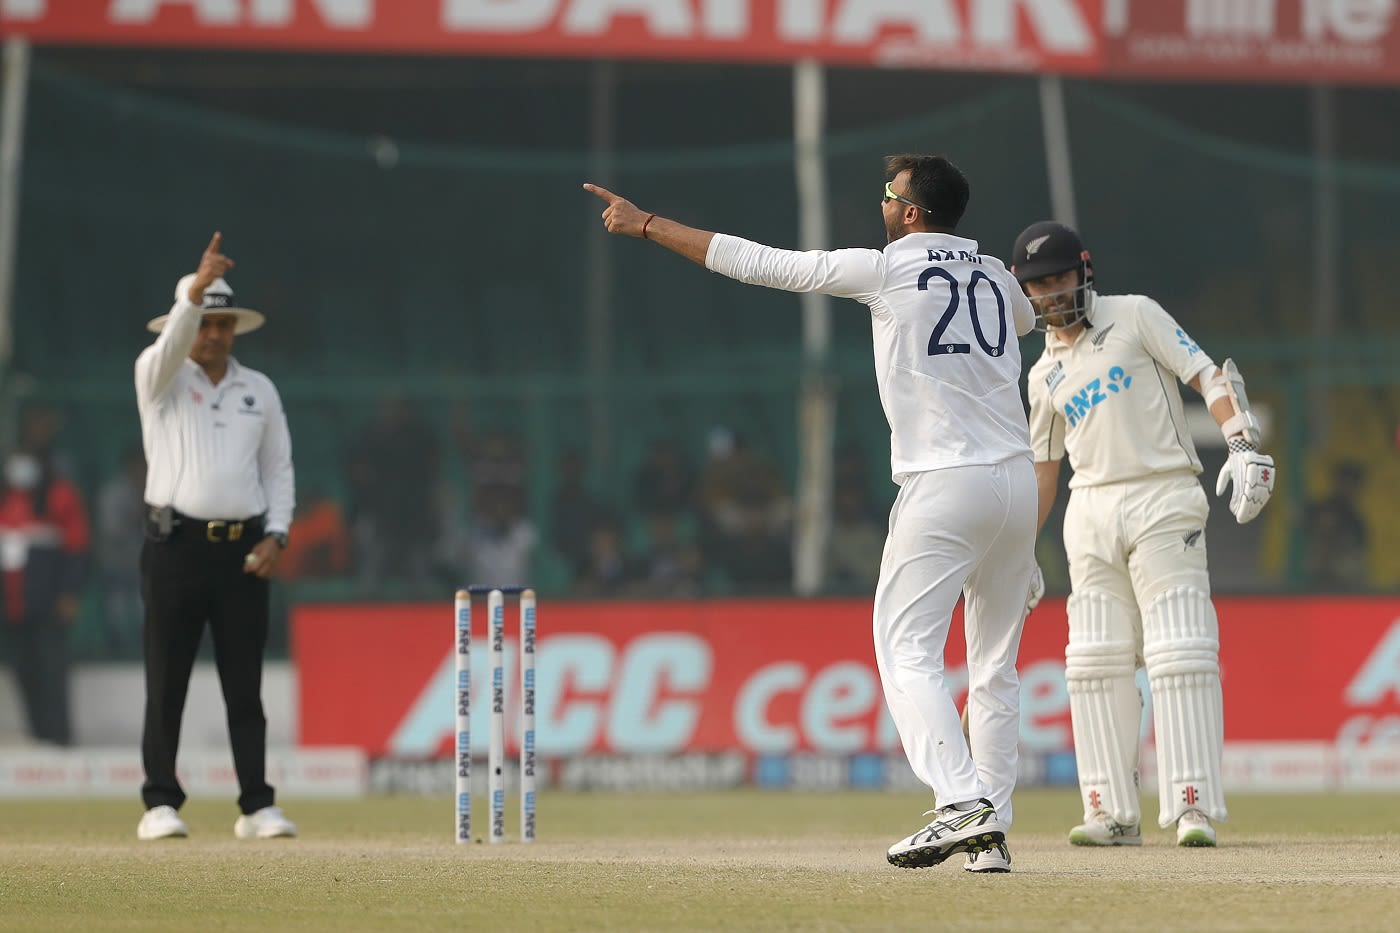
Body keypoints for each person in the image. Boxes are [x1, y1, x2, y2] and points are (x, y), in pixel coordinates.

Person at [586, 154, 1040, 873]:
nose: (883, 204)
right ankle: (993, 831)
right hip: (1018, 483)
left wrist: (647, 225)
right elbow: (1023, 319)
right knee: (995, 665)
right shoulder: (995, 274)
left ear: (913, 213)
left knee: (906, 650)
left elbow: (761, 263)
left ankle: (960, 802)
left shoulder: (889, 267)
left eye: (890, 196)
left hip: (945, 479)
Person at [1013, 220, 1276, 850]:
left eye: (1058, 279)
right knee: (1095, 662)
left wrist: (1240, 443)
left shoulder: (1135, 316)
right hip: (1090, 509)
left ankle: (1192, 808)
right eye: (1037, 285)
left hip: (1164, 493)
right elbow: (1044, 473)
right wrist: (1018, 549)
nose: (1051, 294)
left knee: (1179, 651)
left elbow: (1208, 376)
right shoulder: (1042, 374)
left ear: (1083, 271)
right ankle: (1109, 811)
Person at [134, 232, 297, 841]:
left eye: (223, 323)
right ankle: (160, 802)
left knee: (243, 684)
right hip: (173, 547)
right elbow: (168, 347)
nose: (214, 333)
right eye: (205, 321)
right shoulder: (160, 379)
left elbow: (278, 470)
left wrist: (276, 536)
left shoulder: (260, 389)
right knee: (167, 678)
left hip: (243, 551)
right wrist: (192, 296)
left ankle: (256, 805)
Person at [0, 410, 91, 746]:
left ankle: (59, 739)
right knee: (23, 672)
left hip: (47, 602)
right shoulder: (6, 498)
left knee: (51, 672)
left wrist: (69, 592)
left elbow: (78, 547)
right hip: (12, 606)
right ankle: (38, 737)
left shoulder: (60, 494)